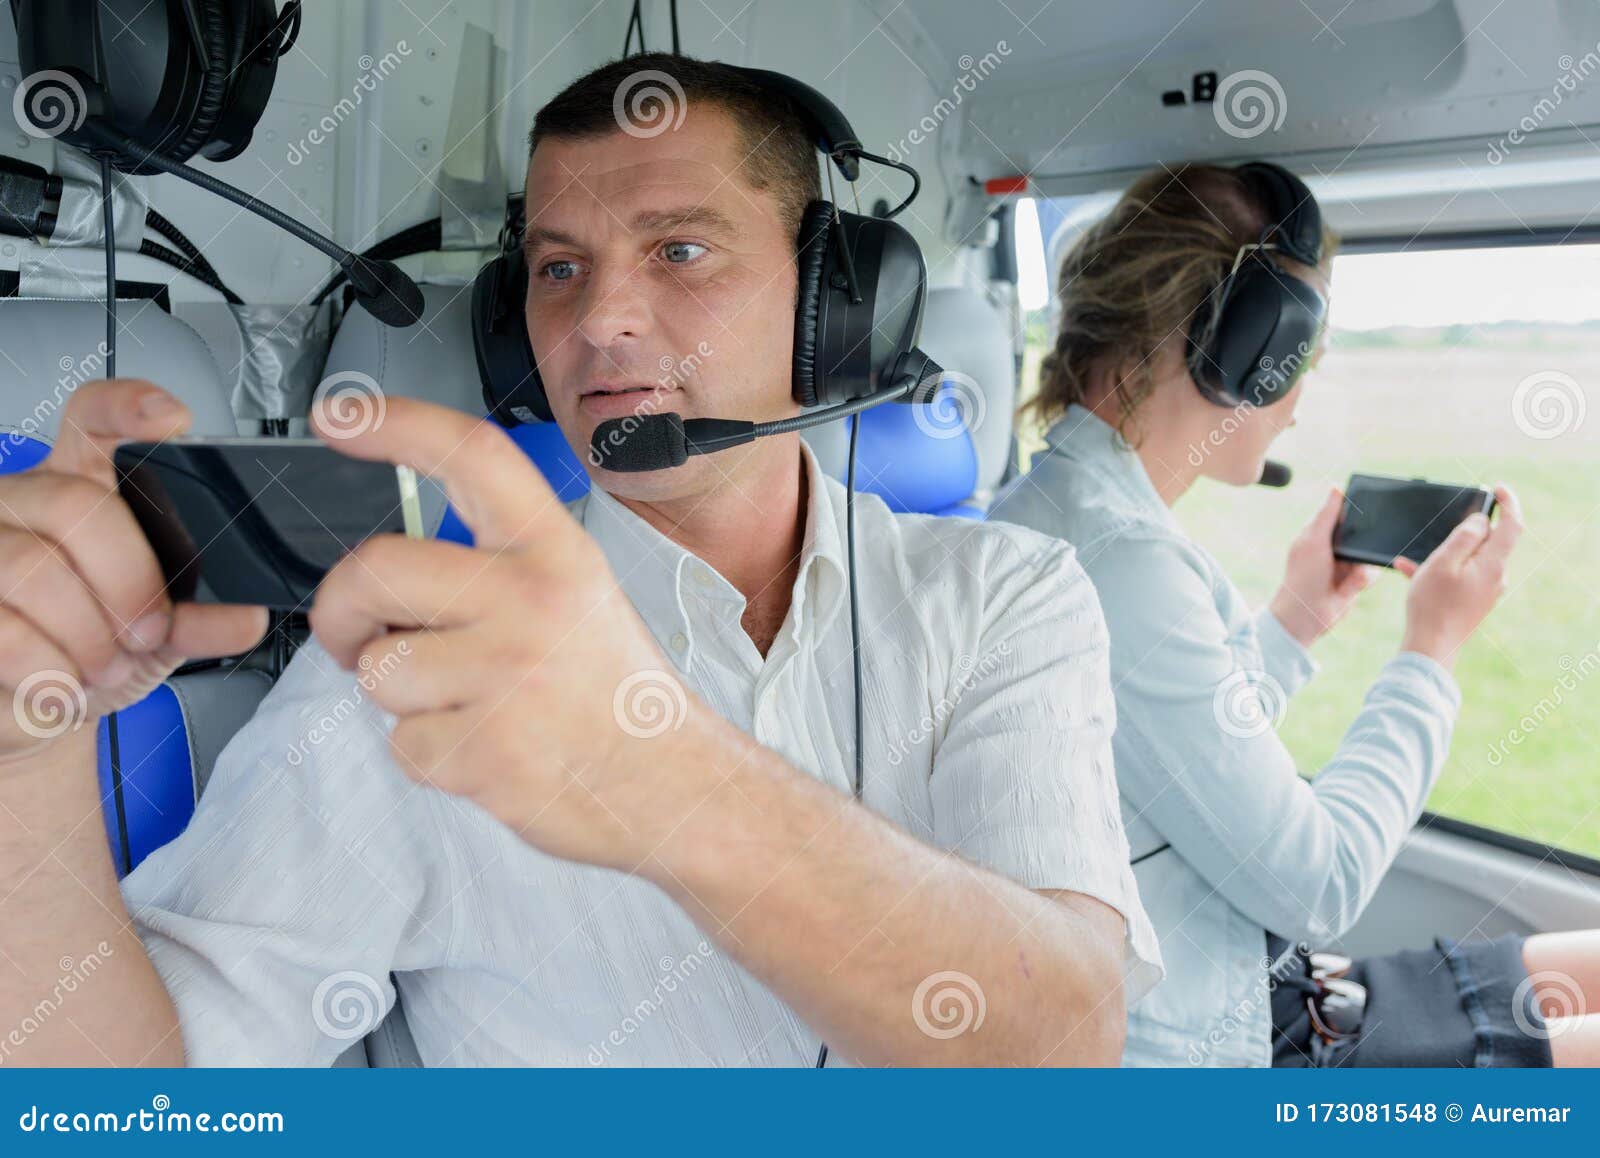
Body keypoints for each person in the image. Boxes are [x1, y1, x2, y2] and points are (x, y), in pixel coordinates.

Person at [0, 54, 1159, 1067]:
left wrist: (650, 769)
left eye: (681, 250)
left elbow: (1057, 1051)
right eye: (557, 268)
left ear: (830, 303)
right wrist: (26, 756)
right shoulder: (403, 670)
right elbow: (122, 1105)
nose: (600, 318)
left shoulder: (1005, 597)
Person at [990, 162, 1600, 1068]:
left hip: (1263, 996)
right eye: (1297, 365)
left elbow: (1181, 764)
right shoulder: (1118, 563)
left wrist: (1295, 620)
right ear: (1237, 350)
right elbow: (1323, 883)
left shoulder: (1066, 514)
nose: (1299, 405)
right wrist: (1429, 654)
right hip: (1228, 1056)